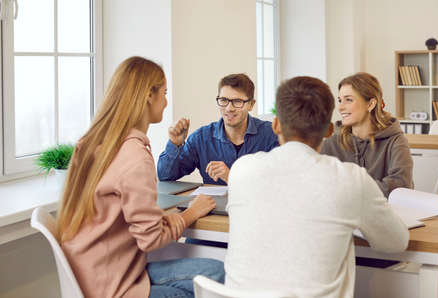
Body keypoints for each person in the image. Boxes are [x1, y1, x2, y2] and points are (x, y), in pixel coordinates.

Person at [224, 76, 409, 296]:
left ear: (275, 125)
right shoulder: (352, 180)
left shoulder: (240, 170)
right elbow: (397, 242)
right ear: (330, 130)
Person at [56, 56, 224, 298]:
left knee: (214, 271)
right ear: (148, 95)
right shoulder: (135, 156)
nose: (166, 102)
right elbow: (152, 239)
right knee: (211, 283)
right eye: (164, 93)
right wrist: (191, 213)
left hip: (96, 273)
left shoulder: (89, 143)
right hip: (113, 286)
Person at [157, 73, 279, 185]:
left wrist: (231, 177)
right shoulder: (201, 138)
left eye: (237, 101)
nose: (229, 108)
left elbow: (282, 183)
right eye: (224, 100)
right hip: (214, 208)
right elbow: (165, 176)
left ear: (251, 104)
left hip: (256, 208)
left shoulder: (271, 135)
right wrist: (174, 144)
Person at [321, 72, 413, 197]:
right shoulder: (330, 144)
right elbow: (321, 185)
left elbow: (400, 186)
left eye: (348, 100)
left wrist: (347, 189)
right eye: (340, 100)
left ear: (370, 104)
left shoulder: (396, 141)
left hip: (386, 214)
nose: (340, 107)